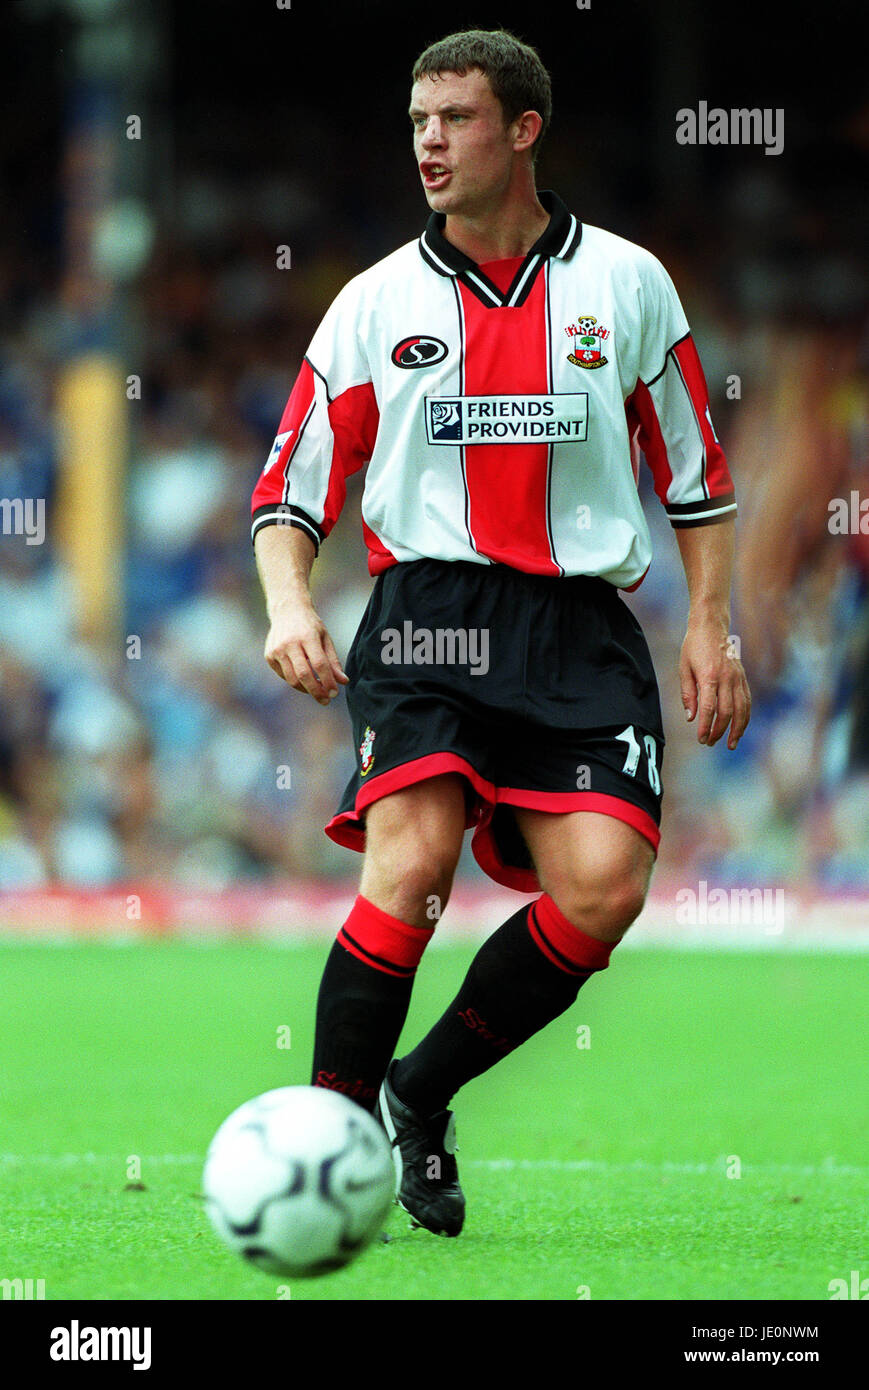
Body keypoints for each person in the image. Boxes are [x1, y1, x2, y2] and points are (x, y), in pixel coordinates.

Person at [251, 28, 751, 1237]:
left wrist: (712, 631)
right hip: (430, 616)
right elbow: (287, 491)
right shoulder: (373, 304)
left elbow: (693, 472)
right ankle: (327, 1143)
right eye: (417, 120)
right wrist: (289, 601)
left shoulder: (626, 285)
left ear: (521, 130)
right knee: (410, 866)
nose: (428, 140)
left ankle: (418, 1096)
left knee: (602, 889)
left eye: (455, 118)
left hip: (579, 627)